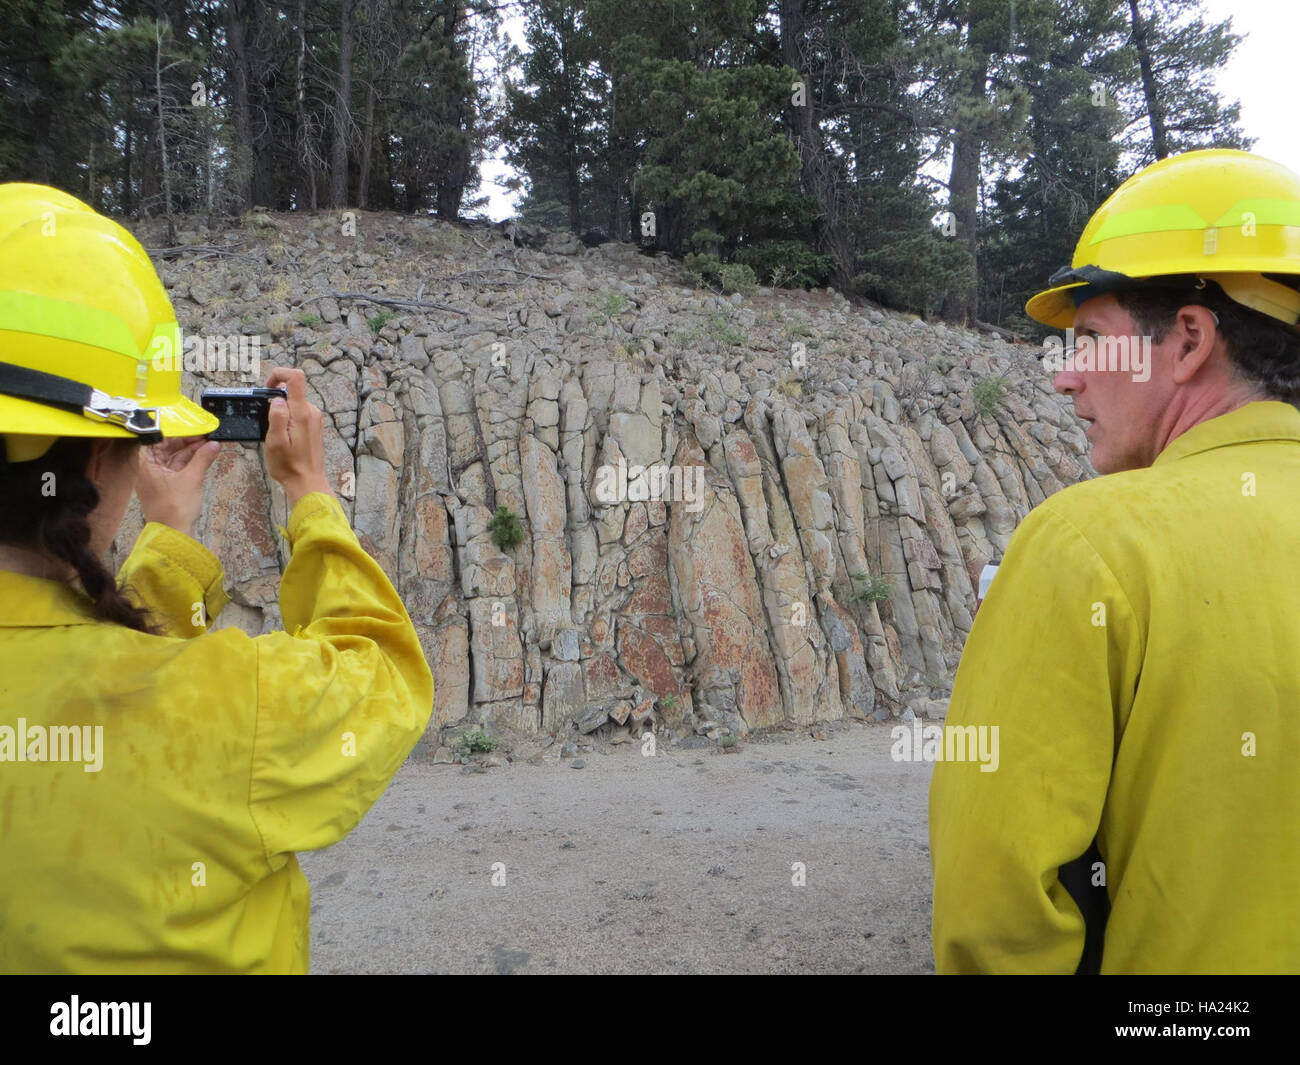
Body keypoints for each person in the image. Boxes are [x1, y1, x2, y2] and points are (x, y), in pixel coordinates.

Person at [0, 183, 433, 974]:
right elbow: (383, 675)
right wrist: (310, 493)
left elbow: (76, 653)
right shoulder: (229, 708)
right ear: (99, 457)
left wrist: (164, 545)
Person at [929, 149, 1300, 974]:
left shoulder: (1090, 543)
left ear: (1190, 339)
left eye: (1090, 339)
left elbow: (992, 905)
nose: (1065, 380)